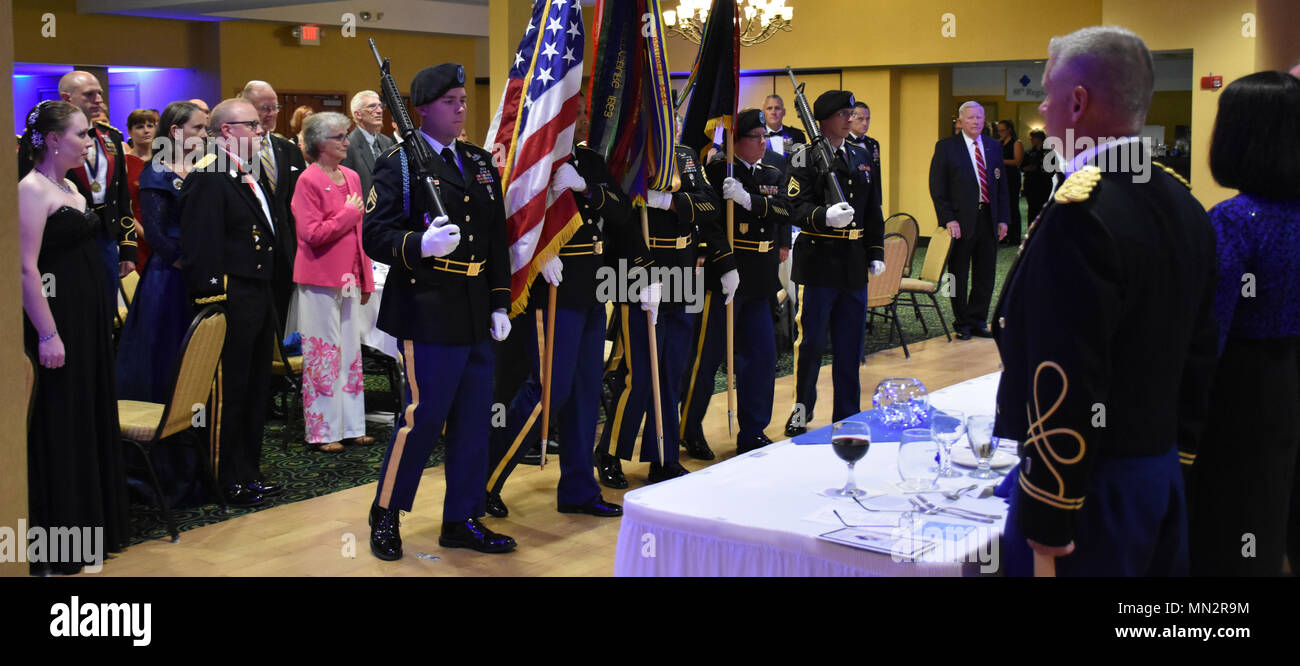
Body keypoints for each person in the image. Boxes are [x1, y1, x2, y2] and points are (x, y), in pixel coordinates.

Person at [993, 26, 1218, 577]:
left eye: (1047, 97)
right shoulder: (1183, 203)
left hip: (1090, 491)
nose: (1043, 112)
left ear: (1077, 102)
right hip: (1159, 474)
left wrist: (1048, 514)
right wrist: (1178, 461)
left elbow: (1065, 376)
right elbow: (1200, 352)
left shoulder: (1082, 214)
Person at [363, 62, 516, 559]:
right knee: (422, 417)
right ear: (422, 109)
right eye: (450, 102)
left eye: (464, 101)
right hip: (427, 309)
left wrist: (499, 301)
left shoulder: (477, 160)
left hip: (474, 308)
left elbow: (496, 237)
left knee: (474, 419)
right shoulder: (400, 164)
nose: (460, 110)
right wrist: (419, 244)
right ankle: (386, 512)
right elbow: (374, 234)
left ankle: (462, 517)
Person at [483, 91, 631, 519]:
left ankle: (579, 490)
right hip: (553, 293)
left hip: (589, 289)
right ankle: (484, 479)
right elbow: (512, 217)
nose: (583, 118)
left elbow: (620, 212)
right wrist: (536, 253)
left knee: (586, 393)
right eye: (576, 111)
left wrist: (587, 187)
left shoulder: (588, 162)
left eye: (583, 110)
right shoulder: (533, 163)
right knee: (549, 391)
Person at [1190, 71, 1300, 576]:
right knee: (1273, 509)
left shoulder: (1237, 219)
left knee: (1230, 525)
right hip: (1289, 375)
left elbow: (1208, 325)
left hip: (1240, 387)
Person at [19, 100, 131, 573]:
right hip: (57, 322)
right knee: (62, 425)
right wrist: (48, 334)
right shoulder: (29, 190)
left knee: (88, 418)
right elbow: (25, 268)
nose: (90, 142)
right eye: (82, 135)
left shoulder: (70, 185)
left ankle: (93, 530)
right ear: (52, 139)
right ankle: (61, 545)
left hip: (89, 323)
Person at [596, 142, 727, 486]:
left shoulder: (684, 154)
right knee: (638, 374)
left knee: (672, 371)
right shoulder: (629, 152)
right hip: (639, 272)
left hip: (683, 273)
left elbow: (710, 205)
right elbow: (619, 221)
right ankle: (609, 452)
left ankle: (663, 455)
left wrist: (671, 202)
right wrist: (640, 272)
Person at [180, 97, 282, 507]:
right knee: (230, 391)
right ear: (227, 131)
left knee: (256, 386)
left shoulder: (244, 172)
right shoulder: (209, 175)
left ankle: (248, 470)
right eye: (252, 125)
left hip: (257, 292)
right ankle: (224, 477)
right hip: (230, 297)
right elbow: (201, 246)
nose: (261, 131)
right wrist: (214, 305)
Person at [116, 101, 209, 508]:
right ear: (176, 133)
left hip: (197, 275)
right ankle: (161, 469)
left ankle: (197, 462)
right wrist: (189, 264)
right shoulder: (157, 172)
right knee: (166, 360)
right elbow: (153, 232)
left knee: (198, 365)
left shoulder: (205, 169)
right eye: (200, 129)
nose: (205, 136)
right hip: (169, 279)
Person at [681, 108, 788, 457]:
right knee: (706, 357)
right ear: (734, 140)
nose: (762, 143)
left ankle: (753, 430)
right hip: (724, 275)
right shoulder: (716, 171)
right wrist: (724, 262)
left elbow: (785, 209)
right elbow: (709, 223)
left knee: (761, 355)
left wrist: (750, 201)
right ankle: (689, 427)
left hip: (759, 276)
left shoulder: (772, 170)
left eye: (763, 137)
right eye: (754, 137)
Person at [781, 91, 886, 437]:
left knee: (849, 345)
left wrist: (875, 252)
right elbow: (793, 206)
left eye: (851, 113)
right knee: (810, 344)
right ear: (823, 120)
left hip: (853, 264)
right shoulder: (804, 156)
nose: (849, 119)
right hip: (819, 263)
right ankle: (801, 410)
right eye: (843, 114)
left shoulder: (862, 153)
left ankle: (848, 413)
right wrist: (823, 216)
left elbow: (873, 208)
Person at [289, 111, 377, 453]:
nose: (345, 142)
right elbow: (311, 234)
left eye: (345, 136)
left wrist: (365, 276)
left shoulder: (352, 177)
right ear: (319, 144)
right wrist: (348, 214)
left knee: (350, 354)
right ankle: (323, 431)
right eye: (338, 137)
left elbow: (360, 235)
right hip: (319, 277)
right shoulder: (308, 181)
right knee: (323, 354)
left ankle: (353, 426)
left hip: (349, 277)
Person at [19, 72, 138, 297]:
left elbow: (121, 193)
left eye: (100, 93)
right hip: (64, 236)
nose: (99, 100)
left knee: (105, 307)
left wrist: (128, 246)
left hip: (106, 234)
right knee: (70, 302)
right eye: (89, 94)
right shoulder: (41, 138)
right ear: (67, 98)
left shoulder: (111, 136)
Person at [928, 101, 1010, 340]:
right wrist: (948, 219)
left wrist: (1003, 218)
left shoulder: (994, 146)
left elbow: (1001, 186)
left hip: (988, 218)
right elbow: (937, 187)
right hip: (960, 221)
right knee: (958, 274)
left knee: (986, 273)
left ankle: (978, 319)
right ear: (960, 121)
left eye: (980, 117)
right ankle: (961, 321)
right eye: (971, 117)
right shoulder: (946, 148)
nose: (976, 121)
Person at [241, 80, 306, 332]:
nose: (271, 114)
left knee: (283, 318)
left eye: (274, 107)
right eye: (263, 108)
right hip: (251, 254)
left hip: (286, 252)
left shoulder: (288, 149)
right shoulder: (235, 152)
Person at [341, 90, 395, 201]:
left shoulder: (387, 142)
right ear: (358, 114)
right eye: (372, 107)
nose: (379, 111)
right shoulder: (348, 145)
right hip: (364, 212)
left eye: (380, 106)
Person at [123, 108, 158, 272]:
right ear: (130, 131)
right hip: (138, 235)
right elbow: (124, 206)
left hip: (165, 233)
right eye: (139, 126)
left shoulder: (165, 160)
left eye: (150, 125)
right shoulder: (124, 163)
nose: (146, 130)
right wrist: (146, 234)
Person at [846, 101, 883, 209]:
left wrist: (878, 201)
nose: (865, 123)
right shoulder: (843, 142)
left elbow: (876, 174)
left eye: (867, 119)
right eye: (860, 119)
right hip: (851, 199)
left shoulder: (872, 144)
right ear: (851, 119)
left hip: (869, 199)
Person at [996, 119, 1025, 245]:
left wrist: (1000, 161)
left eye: (1003, 130)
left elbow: (1017, 161)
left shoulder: (1016, 143)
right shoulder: (999, 143)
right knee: (1002, 206)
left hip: (1012, 178)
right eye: (999, 130)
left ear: (1009, 130)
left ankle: (1014, 237)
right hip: (1001, 178)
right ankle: (1004, 235)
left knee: (1012, 206)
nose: (1000, 133)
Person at [1019, 129, 1055, 225]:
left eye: (1033, 138)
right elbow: (1022, 166)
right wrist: (1028, 168)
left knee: (1042, 209)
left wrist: (1039, 168)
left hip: (1043, 184)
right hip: (1031, 184)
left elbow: (1053, 170)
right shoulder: (1029, 152)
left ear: (1039, 139)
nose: (1031, 140)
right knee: (1031, 210)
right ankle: (1031, 231)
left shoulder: (1049, 153)